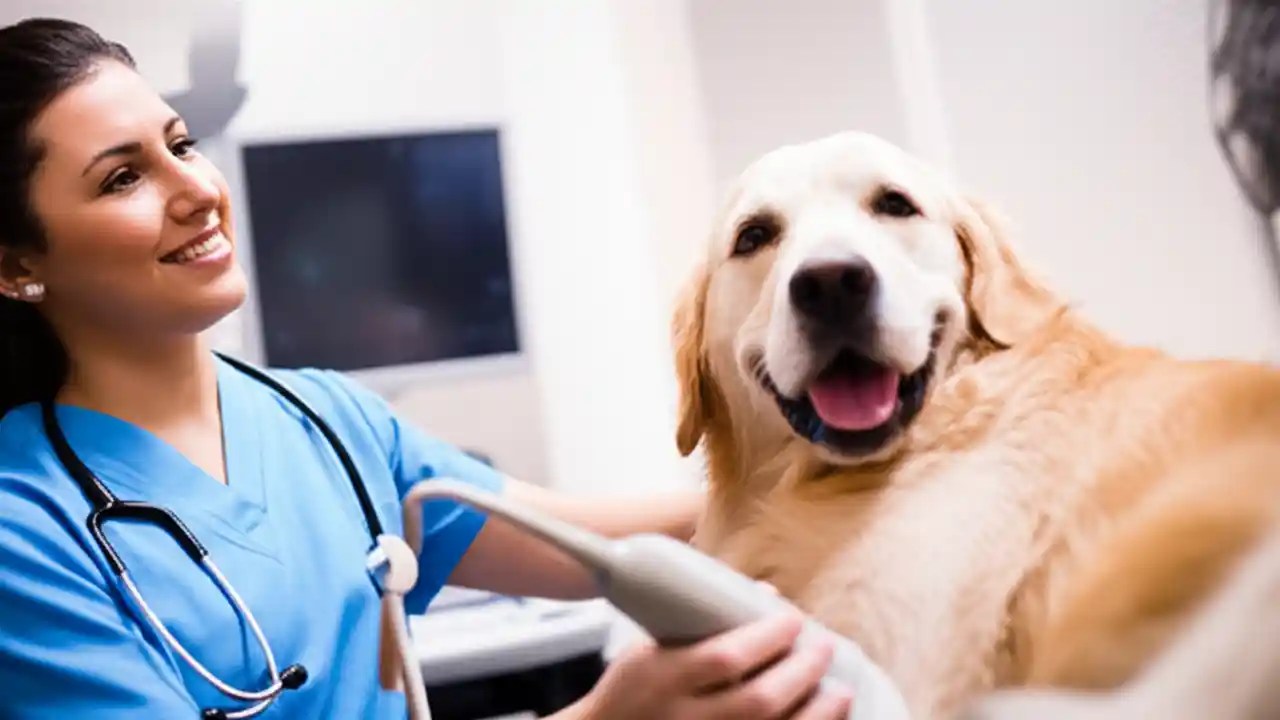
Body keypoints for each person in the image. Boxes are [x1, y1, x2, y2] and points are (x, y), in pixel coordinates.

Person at [0, 18, 854, 720]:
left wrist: (867, 473)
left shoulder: (329, 423)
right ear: (14, 266)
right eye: (122, 178)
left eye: (181, 144)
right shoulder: (22, 528)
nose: (194, 188)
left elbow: (600, 545)